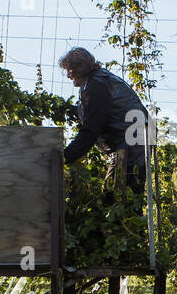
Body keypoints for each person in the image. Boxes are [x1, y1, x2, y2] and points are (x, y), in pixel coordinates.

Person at [59, 47, 147, 195]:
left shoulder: (96, 84)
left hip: (130, 148)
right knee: (116, 197)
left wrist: (64, 157)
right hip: (130, 145)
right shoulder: (101, 79)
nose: (68, 76)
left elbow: (92, 129)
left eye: (69, 70)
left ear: (78, 69)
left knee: (117, 199)